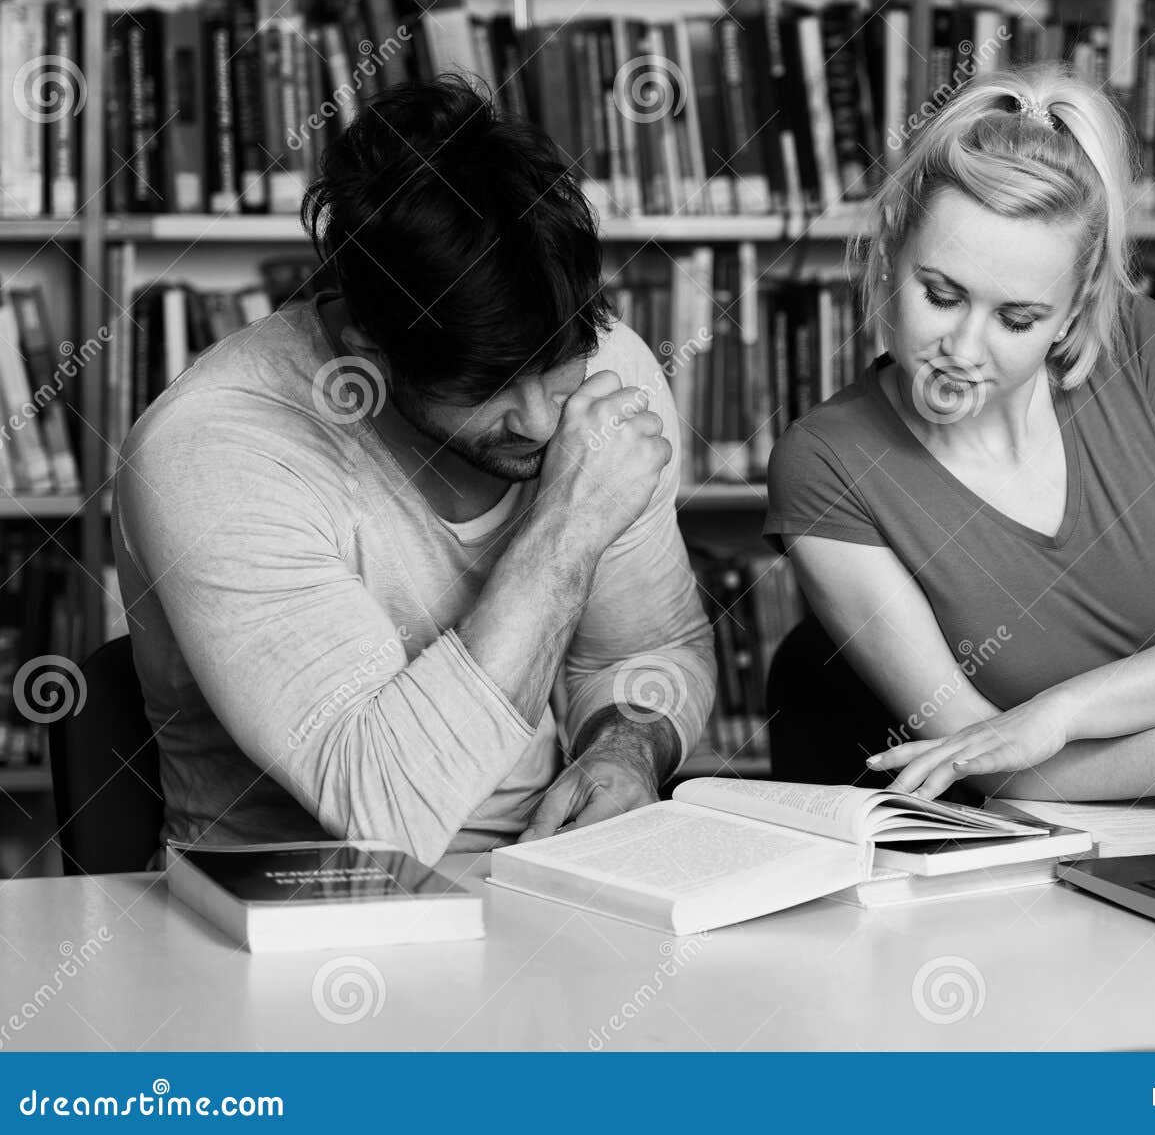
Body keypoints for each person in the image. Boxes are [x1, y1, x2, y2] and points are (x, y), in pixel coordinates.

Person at [113, 78, 714, 865]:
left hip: (540, 879)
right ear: (368, 346)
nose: (541, 422)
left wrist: (626, 747)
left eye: (557, 369)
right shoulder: (212, 449)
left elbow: (651, 652)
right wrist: (570, 522)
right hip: (293, 901)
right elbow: (387, 807)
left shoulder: (611, 375)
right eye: (487, 387)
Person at [763, 63, 1155, 802]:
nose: (964, 348)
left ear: (1075, 310)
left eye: (1016, 319)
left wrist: (1060, 713)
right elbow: (979, 754)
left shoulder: (1137, 344)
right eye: (941, 295)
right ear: (891, 251)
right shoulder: (825, 463)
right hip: (1063, 849)